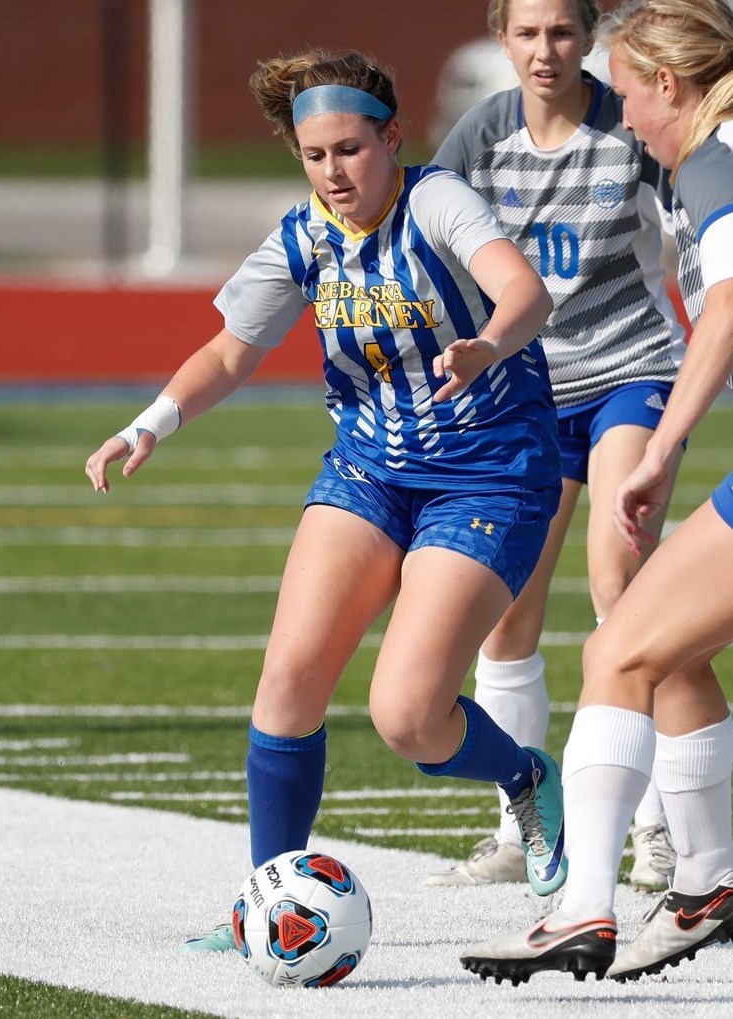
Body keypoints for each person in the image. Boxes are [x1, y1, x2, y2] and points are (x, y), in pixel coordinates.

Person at [85, 49, 568, 952]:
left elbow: (524, 292)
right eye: (314, 155)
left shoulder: (437, 202)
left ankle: (525, 775)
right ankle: (268, 901)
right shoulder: (304, 236)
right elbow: (231, 350)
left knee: (410, 716)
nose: (333, 172)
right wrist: (152, 421)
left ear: (392, 137)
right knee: (287, 682)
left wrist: (487, 346)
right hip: (367, 472)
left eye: (349, 149)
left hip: (489, 472)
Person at [460, 0, 733, 984]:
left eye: (624, 91)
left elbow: (731, 307)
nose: (619, 113)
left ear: (668, 86)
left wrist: (659, 447)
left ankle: (582, 911)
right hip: (558, 392)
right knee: (661, 639)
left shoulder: (708, 156)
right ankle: (704, 881)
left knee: (620, 642)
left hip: (631, 388)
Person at [426, 0, 688, 893]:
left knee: (620, 580)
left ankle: (657, 831)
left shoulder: (632, 123)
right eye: (527, 33)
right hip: (530, 389)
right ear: (501, 39)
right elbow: (423, 235)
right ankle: (525, 828)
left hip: (632, 371)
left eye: (564, 32)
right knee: (508, 609)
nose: (546, 51)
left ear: (592, 37)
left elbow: (699, 208)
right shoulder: (481, 135)